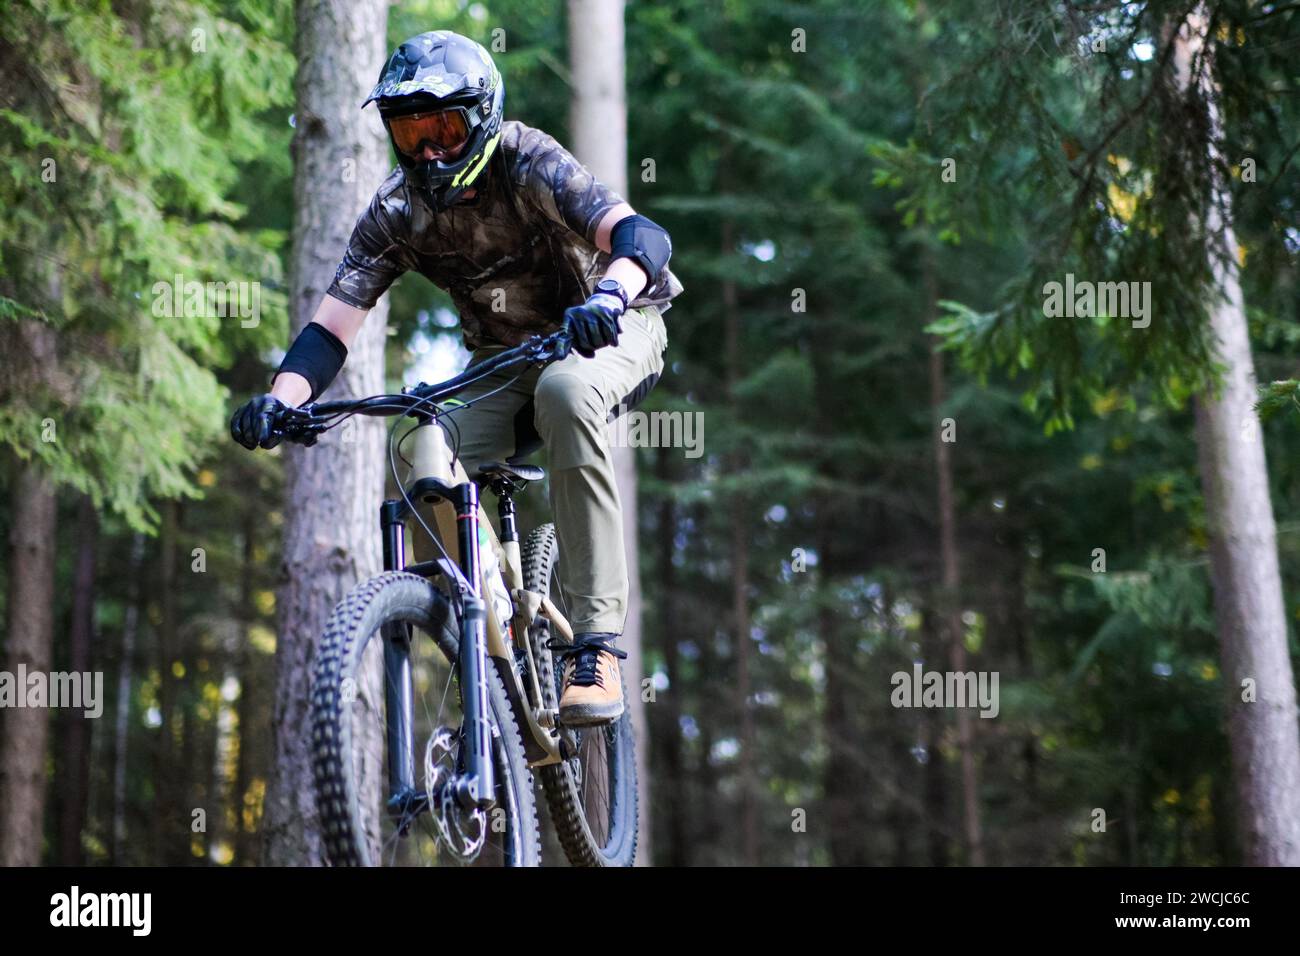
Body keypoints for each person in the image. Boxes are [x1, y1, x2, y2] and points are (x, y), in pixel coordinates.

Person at [230, 30, 682, 726]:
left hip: (613, 327)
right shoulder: (395, 212)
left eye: (445, 126)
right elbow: (329, 329)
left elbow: (641, 236)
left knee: (566, 392)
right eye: (412, 134)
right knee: (417, 442)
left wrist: (609, 298)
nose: (431, 149)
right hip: (505, 361)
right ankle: (481, 632)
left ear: (483, 116)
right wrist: (279, 401)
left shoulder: (525, 160)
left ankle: (595, 649)